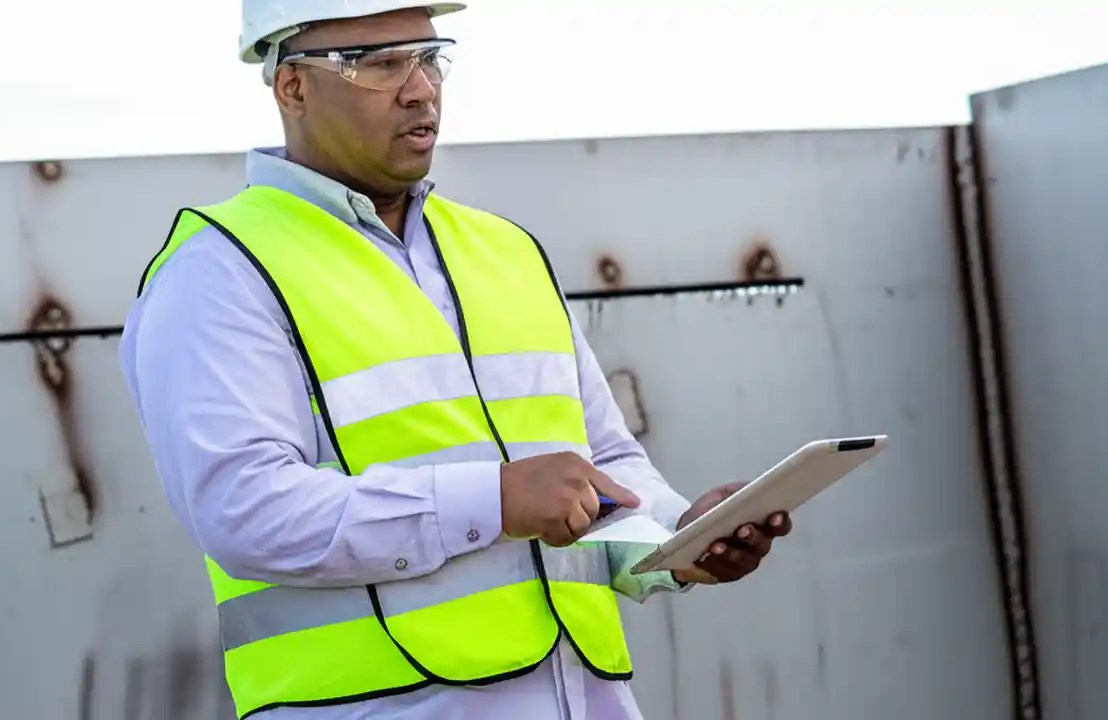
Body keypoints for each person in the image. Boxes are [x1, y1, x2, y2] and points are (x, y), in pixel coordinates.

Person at [119, 1, 793, 718]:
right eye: (382, 64)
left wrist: (677, 537)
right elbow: (243, 513)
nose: (421, 88)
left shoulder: (505, 250)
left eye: (430, 56)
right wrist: (494, 499)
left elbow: (604, 462)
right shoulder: (220, 272)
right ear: (292, 88)